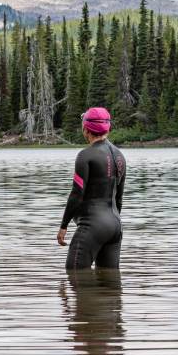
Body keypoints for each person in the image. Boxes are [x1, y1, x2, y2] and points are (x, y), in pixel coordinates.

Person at [57, 107, 126, 270]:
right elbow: (119, 199)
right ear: (107, 128)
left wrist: (63, 225)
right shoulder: (120, 156)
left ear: (86, 129)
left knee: (74, 275)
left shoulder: (85, 155)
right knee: (111, 287)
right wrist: (108, 224)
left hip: (92, 226)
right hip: (115, 226)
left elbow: (76, 194)